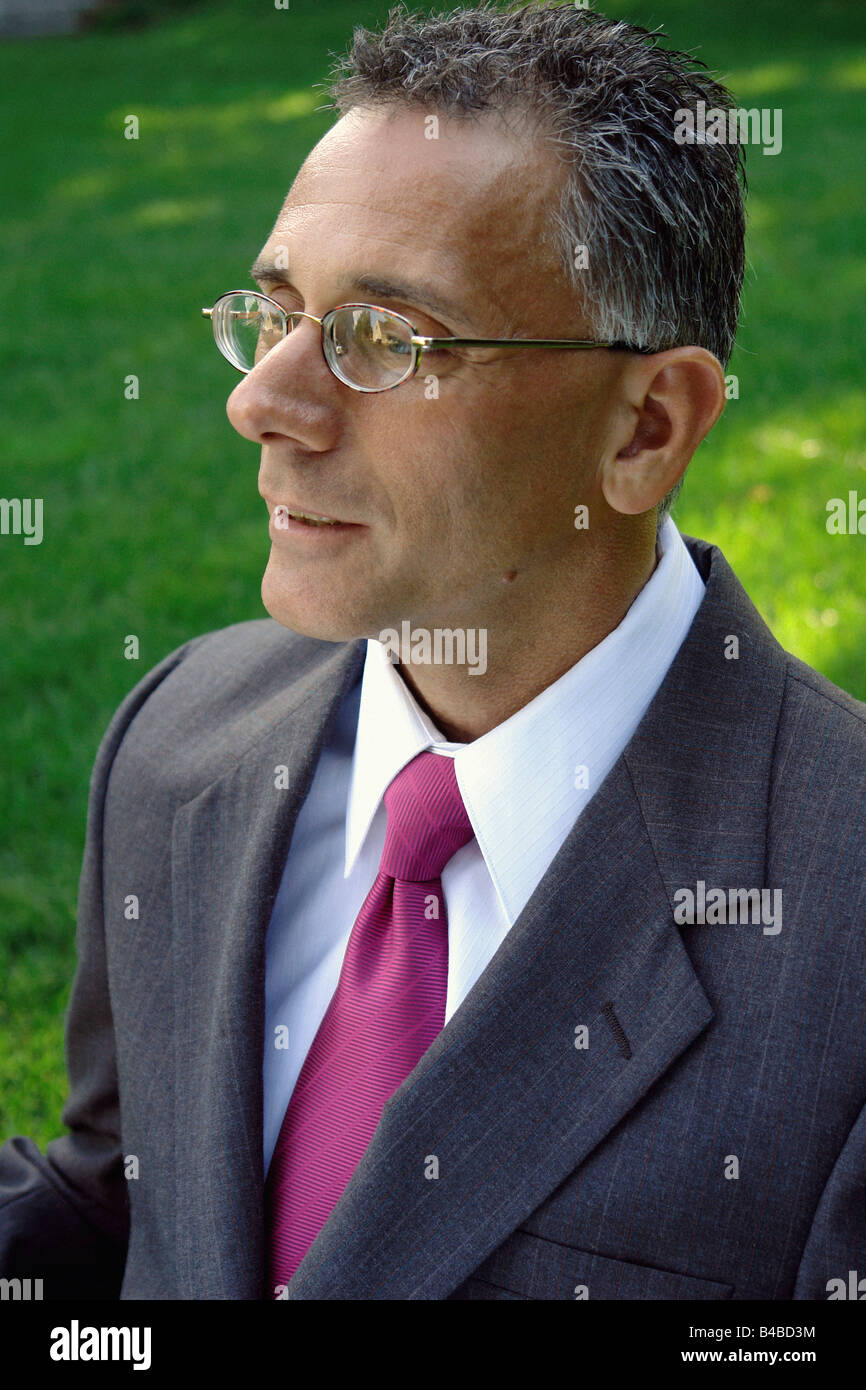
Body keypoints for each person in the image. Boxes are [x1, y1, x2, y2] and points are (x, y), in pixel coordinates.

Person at [1, 1, 864, 1302]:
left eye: (385, 341)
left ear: (643, 427)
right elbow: (126, 1185)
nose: (261, 402)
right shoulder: (181, 742)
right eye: (275, 310)